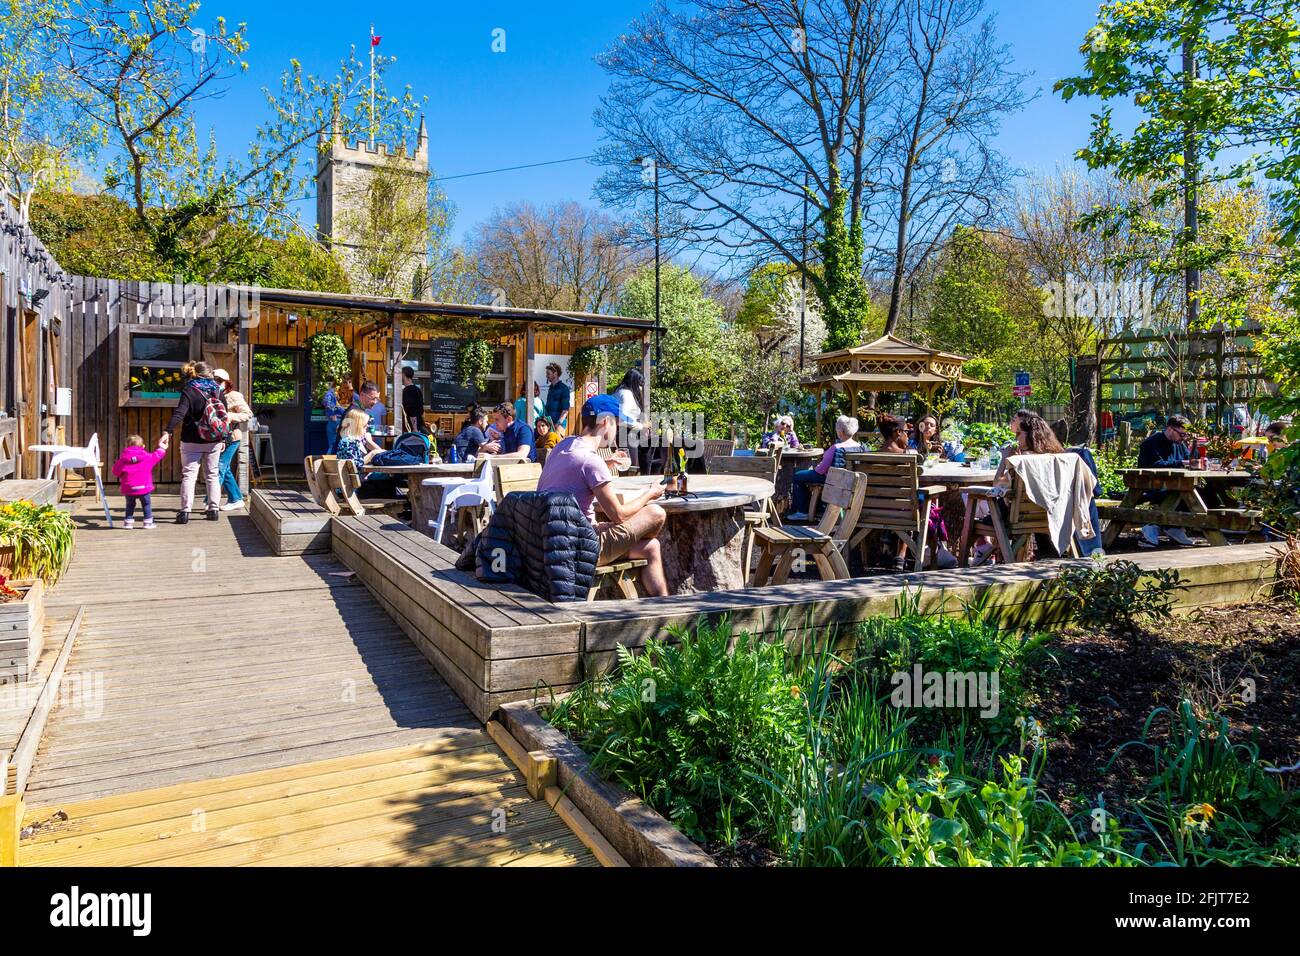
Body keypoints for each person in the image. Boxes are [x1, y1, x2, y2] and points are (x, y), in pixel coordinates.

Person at [538, 394, 668, 596]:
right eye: (616, 422)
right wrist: (650, 493)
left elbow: (576, 470)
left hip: (551, 540)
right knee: (656, 513)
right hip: (582, 547)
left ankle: (663, 608)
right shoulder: (591, 462)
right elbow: (619, 515)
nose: (617, 429)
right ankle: (666, 617)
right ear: (606, 422)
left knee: (651, 547)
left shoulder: (562, 446)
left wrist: (608, 463)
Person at [159, 361, 227, 524]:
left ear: (194, 373)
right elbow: (224, 416)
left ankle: (184, 512)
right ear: (211, 374)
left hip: (191, 438)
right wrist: (225, 437)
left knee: (189, 475)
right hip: (214, 439)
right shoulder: (218, 390)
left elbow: (179, 413)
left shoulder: (189, 389)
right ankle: (213, 510)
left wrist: (167, 431)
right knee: (212, 474)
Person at [787, 415, 864, 521]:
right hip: (852, 481)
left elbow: (821, 470)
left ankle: (802, 511)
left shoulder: (836, 448)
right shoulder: (860, 447)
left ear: (840, 431)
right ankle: (817, 509)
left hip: (834, 480)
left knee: (798, 476)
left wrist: (815, 469)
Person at [1135, 414, 1195, 548]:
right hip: (1153, 486)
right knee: (1183, 494)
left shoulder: (1179, 444)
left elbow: (1187, 460)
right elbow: (1155, 466)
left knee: (1203, 491)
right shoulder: (1151, 443)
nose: (1183, 438)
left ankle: (1173, 526)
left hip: (1174, 485)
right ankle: (1153, 525)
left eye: (1186, 435)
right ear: (1170, 429)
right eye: (1181, 434)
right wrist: (1181, 463)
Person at [213, 368, 254, 512]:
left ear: (226, 382)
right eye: (214, 380)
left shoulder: (234, 395)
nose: (216, 383)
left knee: (219, 466)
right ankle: (236, 499)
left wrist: (229, 416)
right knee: (225, 468)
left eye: (219, 380)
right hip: (216, 438)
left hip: (232, 437)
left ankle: (211, 500)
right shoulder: (211, 395)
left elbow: (247, 414)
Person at [335, 408, 400, 498]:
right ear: (358, 425)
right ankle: (402, 508)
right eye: (365, 424)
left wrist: (369, 442)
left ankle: (402, 506)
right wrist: (372, 454)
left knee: (387, 481)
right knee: (388, 483)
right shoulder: (349, 442)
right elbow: (355, 465)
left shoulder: (353, 440)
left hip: (351, 487)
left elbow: (380, 453)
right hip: (352, 490)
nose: (368, 426)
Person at [112, 434, 167, 529]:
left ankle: (128, 523)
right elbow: (157, 455)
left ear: (126, 447)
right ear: (143, 446)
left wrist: (122, 475)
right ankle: (147, 522)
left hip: (129, 487)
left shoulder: (122, 460)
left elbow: (115, 471)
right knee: (146, 504)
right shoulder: (147, 457)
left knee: (130, 505)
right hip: (144, 487)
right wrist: (162, 448)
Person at [543, 363, 571, 433]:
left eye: (548, 373)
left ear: (555, 374)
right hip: (549, 423)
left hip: (559, 425)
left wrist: (558, 424)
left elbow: (565, 410)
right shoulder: (551, 388)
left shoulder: (564, 388)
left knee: (558, 443)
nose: (546, 376)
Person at [401, 366, 426, 433]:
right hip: (420, 425)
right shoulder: (418, 389)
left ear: (403, 375)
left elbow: (412, 410)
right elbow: (421, 410)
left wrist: (414, 428)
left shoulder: (407, 391)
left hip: (411, 428)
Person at [323, 379, 346, 453]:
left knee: (334, 446)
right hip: (337, 421)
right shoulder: (330, 394)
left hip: (337, 421)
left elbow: (326, 404)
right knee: (335, 446)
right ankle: (328, 463)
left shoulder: (332, 394)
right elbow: (327, 404)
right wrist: (333, 413)